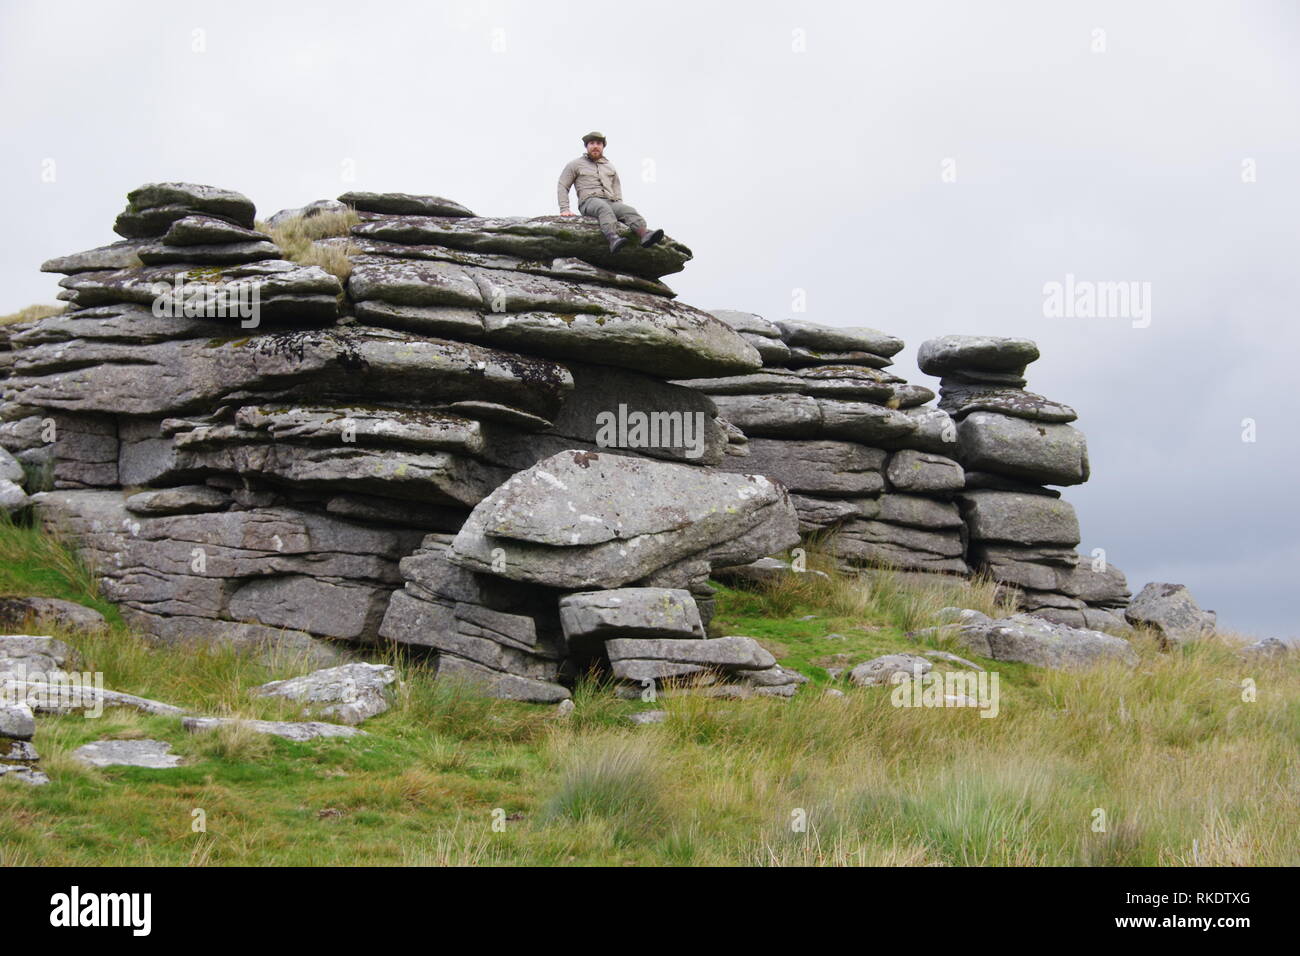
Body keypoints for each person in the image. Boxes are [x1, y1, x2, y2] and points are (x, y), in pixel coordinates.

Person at [557, 131, 664, 253]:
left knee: (629, 210)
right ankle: (613, 239)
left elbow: (616, 189)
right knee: (604, 209)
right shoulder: (575, 164)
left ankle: (644, 235)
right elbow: (562, 185)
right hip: (589, 201)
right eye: (592, 143)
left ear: (603, 147)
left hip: (610, 201)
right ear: (587, 146)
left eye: (598, 143)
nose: (595, 146)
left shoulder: (609, 166)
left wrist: (619, 209)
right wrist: (564, 209)